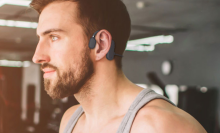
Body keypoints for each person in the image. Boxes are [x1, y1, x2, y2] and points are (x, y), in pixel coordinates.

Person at [30, 0, 207, 132]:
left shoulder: (160, 127)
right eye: (40, 39)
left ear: (100, 45)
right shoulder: (70, 121)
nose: (37, 56)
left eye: (54, 37)